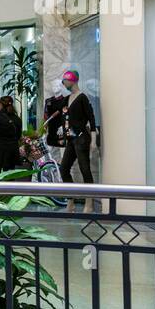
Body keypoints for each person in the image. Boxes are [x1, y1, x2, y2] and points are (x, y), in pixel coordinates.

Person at [58, 70, 98, 211]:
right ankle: (71, 199)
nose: (64, 83)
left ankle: (89, 202)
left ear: (73, 80)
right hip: (71, 139)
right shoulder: (66, 99)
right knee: (64, 169)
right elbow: (64, 119)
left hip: (81, 138)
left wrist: (93, 140)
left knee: (84, 169)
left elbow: (92, 119)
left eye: (66, 80)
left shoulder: (82, 98)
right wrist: (62, 136)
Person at [0, 95, 23, 170]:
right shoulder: (17, 119)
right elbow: (19, 135)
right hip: (12, 148)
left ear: (1, 105)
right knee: (9, 172)